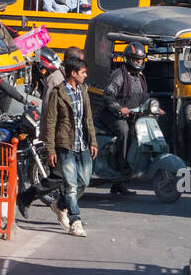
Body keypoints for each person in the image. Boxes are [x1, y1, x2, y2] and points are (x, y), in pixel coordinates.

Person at [42, 54, 97, 237]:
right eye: (83, 72)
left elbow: (88, 118)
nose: (85, 75)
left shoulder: (83, 90)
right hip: (65, 146)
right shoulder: (58, 93)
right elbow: (50, 122)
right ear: (73, 73)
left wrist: (93, 141)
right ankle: (75, 221)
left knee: (84, 182)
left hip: (83, 145)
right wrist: (50, 149)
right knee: (71, 186)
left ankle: (59, 205)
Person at [100, 43, 148, 194]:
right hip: (112, 116)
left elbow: (144, 96)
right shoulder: (119, 75)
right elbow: (108, 96)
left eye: (141, 59)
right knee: (124, 130)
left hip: (132, 116)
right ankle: (121, 165)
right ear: (129, 59)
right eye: (136, 59)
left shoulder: (139, 77)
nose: (139, 62)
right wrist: (119, 109)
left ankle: (119, 183)